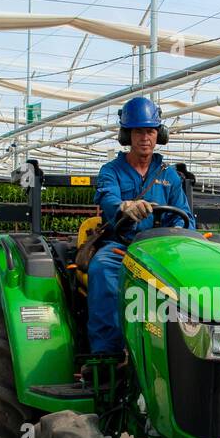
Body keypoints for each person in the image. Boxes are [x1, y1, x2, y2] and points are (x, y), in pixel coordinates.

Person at [88, 97, 194, 354]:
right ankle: (108, 352)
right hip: (121, 248)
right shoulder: (111, 170)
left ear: (160, 135)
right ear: (126, 135)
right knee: (102, 270)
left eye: (150, 131)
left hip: (162, 251)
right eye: (138, 131)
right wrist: (125, 207)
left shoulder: (169, 174)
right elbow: (108, 198)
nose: (145, 137)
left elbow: (186, 218)